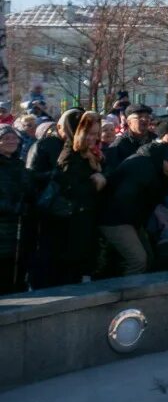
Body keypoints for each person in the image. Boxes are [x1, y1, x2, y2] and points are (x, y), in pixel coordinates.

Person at [33, 111, 106, 288]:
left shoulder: (88, 153)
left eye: (96, 134)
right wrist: (95, 182)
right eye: (89, 134)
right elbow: (69, 186)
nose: (93, 138)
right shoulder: (69, 154)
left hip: (80, 222)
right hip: (65, 225)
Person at [97, 142, 168, 276]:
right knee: (138, 260)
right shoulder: (143, 167)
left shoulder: (154, 166)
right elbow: (125, 198)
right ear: (166, 160)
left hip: (128, 219)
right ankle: (128, 294)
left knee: (148, 258)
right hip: (115, 219)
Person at [0, 125, 34, 293]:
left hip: (17, 226)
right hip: (3, 225)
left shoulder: (19, 164)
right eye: (6, 138)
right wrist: (12, 207)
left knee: (14, 268)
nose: (11, 141)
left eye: (14, 138)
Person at [106, 103, 156, 168]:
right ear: (129, 122)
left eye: (147, 117)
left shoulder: (156, 140)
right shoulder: (118, 145)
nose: (144, 119)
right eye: (139, 117)